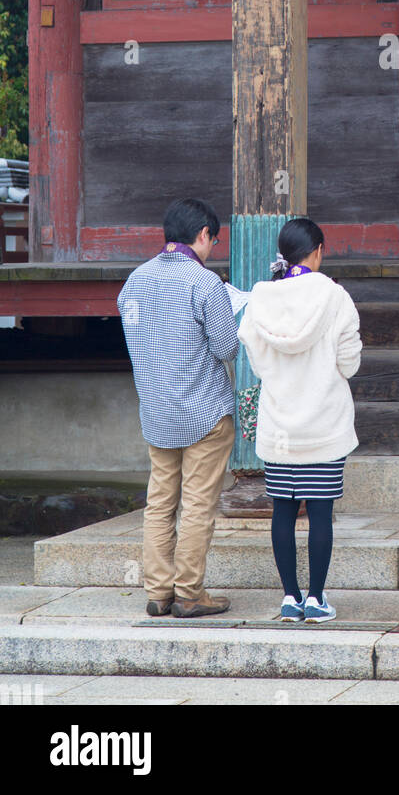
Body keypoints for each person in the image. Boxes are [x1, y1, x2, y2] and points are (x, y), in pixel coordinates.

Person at [117, 197, 239, 619]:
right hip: (203, 410)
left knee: (160, 501)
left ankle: (158, 592)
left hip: (156, 411)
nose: (213, 248)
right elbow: (227, 348)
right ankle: (189, 592)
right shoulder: (204, 283)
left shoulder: (133, 281)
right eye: (213, 239)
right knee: (198, 503)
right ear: (203, 234)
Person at [237, 217, 362, 622]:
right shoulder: (336, 297)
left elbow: (256, 361)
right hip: (324, 424)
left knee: (284, 511)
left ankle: (289, 597)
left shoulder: (262, 299)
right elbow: (349, 362)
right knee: (321, 512)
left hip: (281, 426)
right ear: (319, 250)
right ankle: (316, 598)